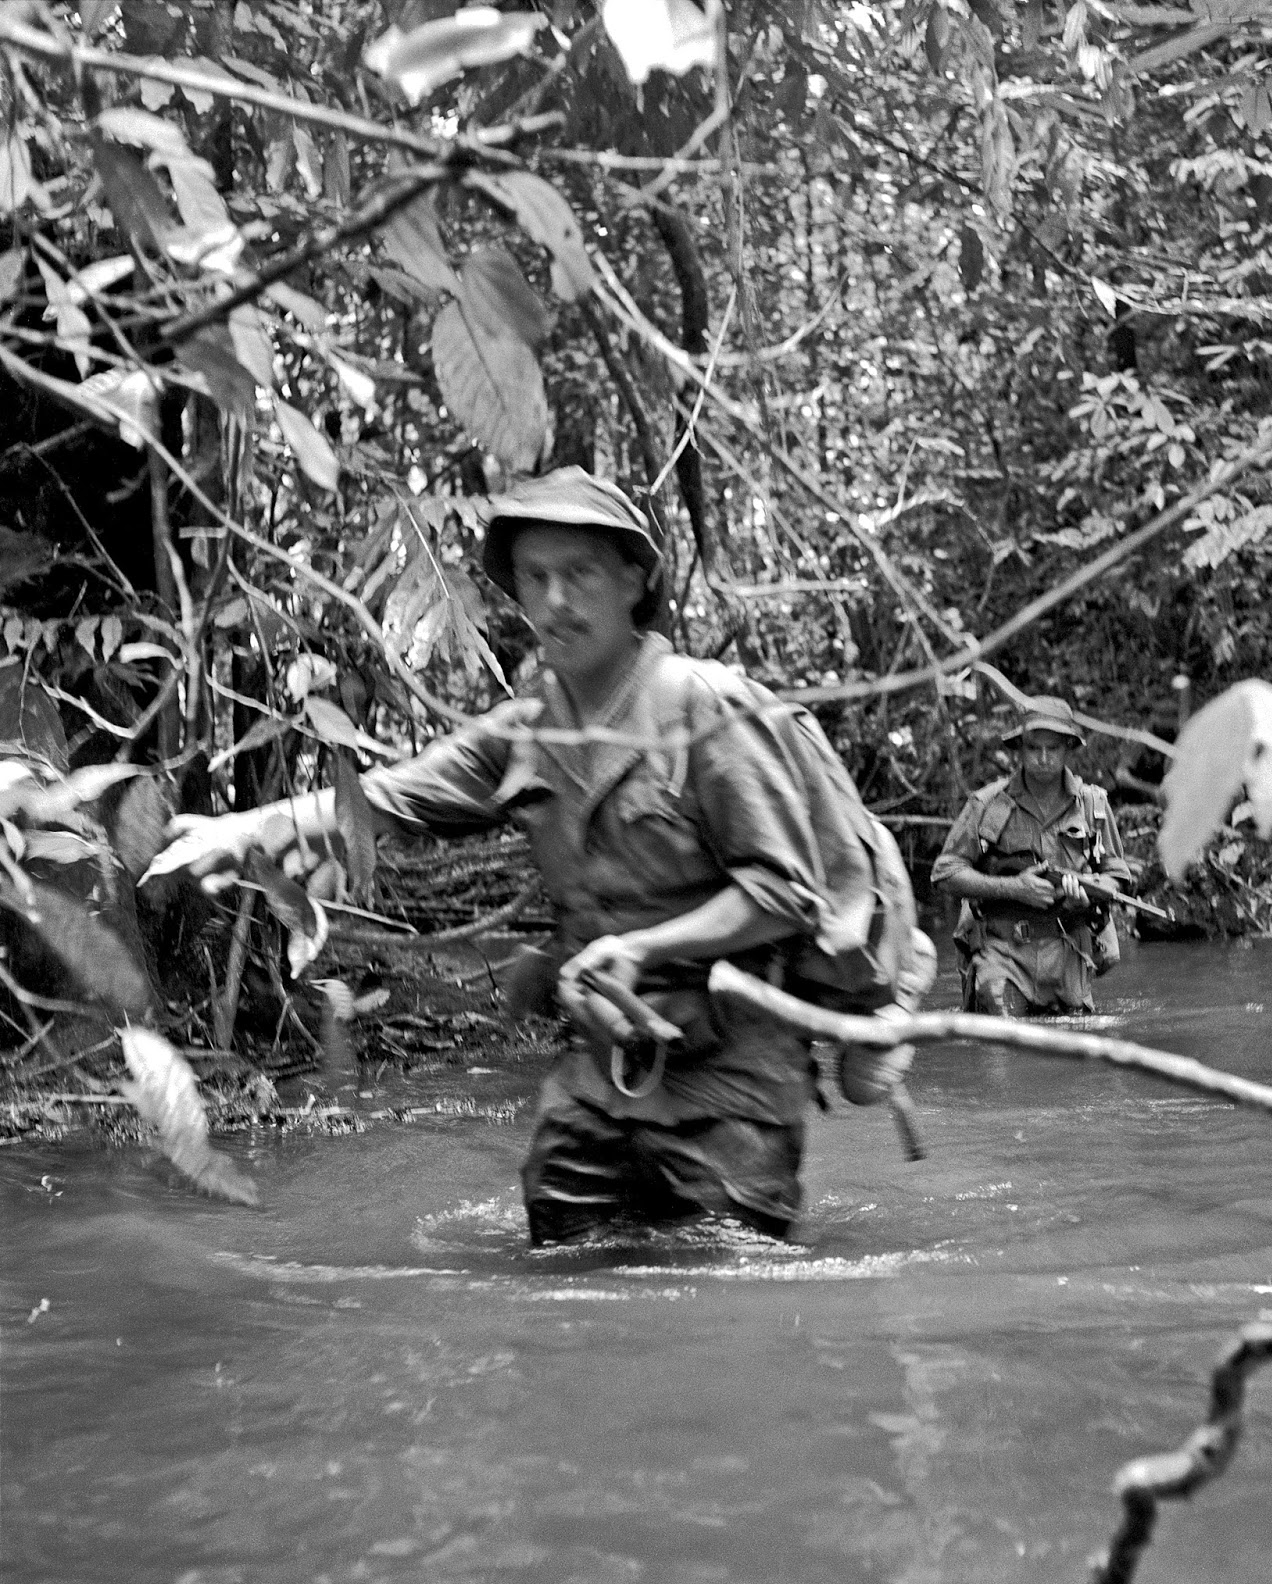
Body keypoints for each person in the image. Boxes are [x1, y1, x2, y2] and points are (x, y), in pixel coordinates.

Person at [153, 467, 923, 1244]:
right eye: (535, 577)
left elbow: (783, 891)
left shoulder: (705, 709)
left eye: (579, 573)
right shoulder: (524, 732)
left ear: (635, 580)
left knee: (723, 1287)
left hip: (736, 1074)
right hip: (601, 1073)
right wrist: (245, 829)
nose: (555, 600)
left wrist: (644, 945)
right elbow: (387, 798)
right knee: (558, 1252)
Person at [931, 697, 1131, 1017]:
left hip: (1069, 953)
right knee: (1002, 1041)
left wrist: (1089, 892)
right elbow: (945, 872)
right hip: (1004, 951)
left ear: (1068, 749)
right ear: (1020, 750)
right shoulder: (988, 804)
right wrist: (1013, 888)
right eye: (1033, 748)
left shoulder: (1093, 806)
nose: (1042, 758)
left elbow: (1118, 874)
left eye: (1052, 749)